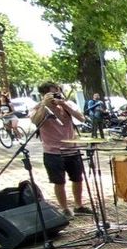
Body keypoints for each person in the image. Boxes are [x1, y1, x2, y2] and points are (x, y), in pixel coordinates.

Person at [30, 83, 91, 219]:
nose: (56, 96)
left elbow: (81, 118)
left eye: (57, 92)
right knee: (59, 181)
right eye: (52, 94)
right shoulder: (38, 107)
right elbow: (35, 121)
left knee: (78, 178)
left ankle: (78, 205)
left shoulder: (67, 104)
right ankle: (64, 208)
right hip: (52, 152)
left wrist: (64, 104)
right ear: (44, 95)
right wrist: (45, 105)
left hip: (72, 149)